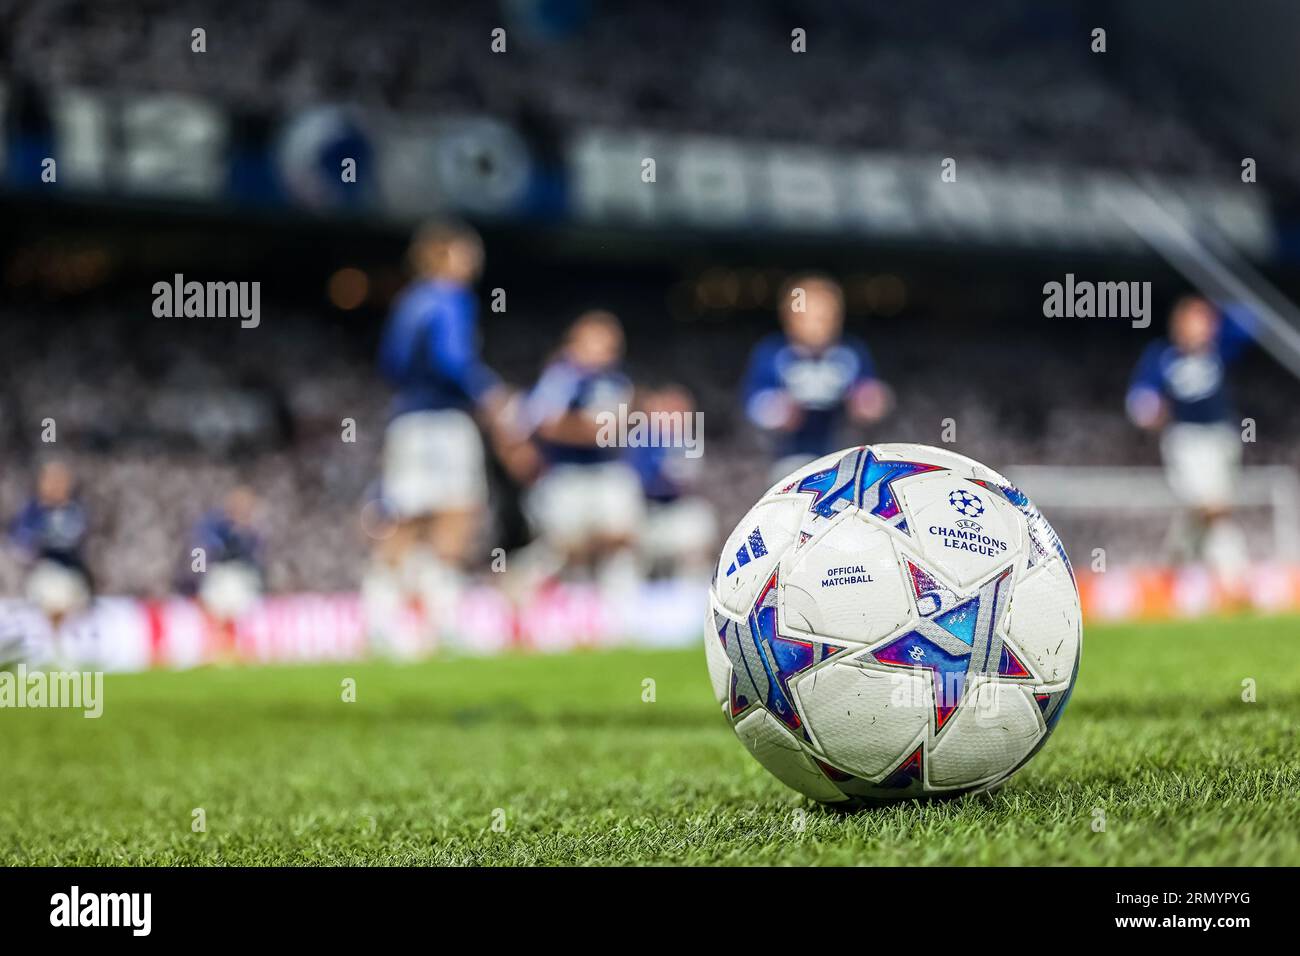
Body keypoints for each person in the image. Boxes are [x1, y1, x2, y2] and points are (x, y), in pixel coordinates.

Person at [371, 220, 513, 639]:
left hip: (408, 420)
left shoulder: (408, 300)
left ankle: (382, 620)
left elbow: (391, 363)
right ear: (446, 253)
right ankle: (445, 620)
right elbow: (452, 358)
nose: (474, 262)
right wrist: (488, 391)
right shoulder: (452, 298)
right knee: (456, 515)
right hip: (448, 421)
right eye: (469, 252)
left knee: (406, 518)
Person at [1126, 295, 1255, 595]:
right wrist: (1150, 409)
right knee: (1212, 507)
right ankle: (1234, 581)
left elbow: (1252, 322)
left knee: (1206, 511)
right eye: (1193, 320)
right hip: (1185, 440)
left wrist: (1219, 314)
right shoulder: (1163, 356)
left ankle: (1174, 562)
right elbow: (1139, 398)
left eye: (1204, 321)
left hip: (1221, 438)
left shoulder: (1219, 348)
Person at [522, 310, 644, 592]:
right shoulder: (559, 378)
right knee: (566, 545)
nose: (606, 351)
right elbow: (542, 423)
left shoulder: (618, 381)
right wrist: (584, 430)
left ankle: (619, 602)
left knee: (621, 535)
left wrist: (589, 428)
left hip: (607, 470)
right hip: (567, 472)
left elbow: (616, 427)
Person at [742, 274, 891, 482]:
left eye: (825, 317)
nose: (817, 326)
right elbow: (752, 403)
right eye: (809, 317)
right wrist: (777, 411)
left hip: (846, 456)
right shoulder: (774, 353)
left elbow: (873, 398)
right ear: (789, 318)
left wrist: (867, 403)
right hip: (789, 458)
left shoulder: (851, 353)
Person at [625, 383, 718, 578]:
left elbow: (689, 480)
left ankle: (695, 597)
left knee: (698, 521)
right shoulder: (641, 439)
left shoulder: (686, 440)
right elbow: (646, 481)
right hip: (646, 512)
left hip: (675, 511)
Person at [8, 461, 93, 655]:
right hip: (46, 566)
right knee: (52, 604)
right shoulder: (34, 510)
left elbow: (79, 537)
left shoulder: (74, 509)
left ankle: (60, 647)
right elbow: (21, 538)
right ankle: (52, 649)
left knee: (72, 609)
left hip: (71, 568)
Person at [188, 486, 266, 661]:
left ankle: (231, 650)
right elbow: (199, 550)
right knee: (217, 614)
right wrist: (198, 575)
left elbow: (255, 558)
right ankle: (216, 650)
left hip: (239, 576)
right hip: (221, 574)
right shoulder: (215, 525)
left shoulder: (251, 530)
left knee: (233, 616)